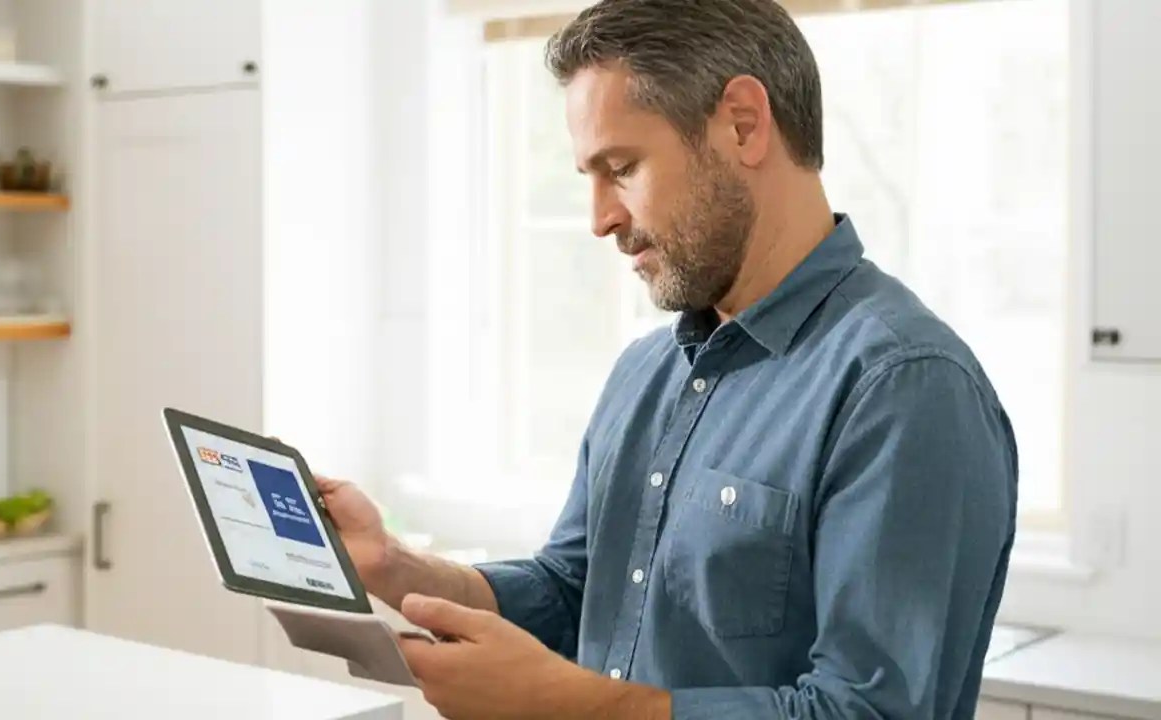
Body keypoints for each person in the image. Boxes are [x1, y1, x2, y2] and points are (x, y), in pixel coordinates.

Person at [321, 0, 1017, 717]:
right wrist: (396, 568)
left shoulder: (905, 386)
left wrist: (570, 706)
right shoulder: (647, 372)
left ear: (743, 124)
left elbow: (866, 712)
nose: (600, 219)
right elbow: (575, 589)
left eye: (620, 168)